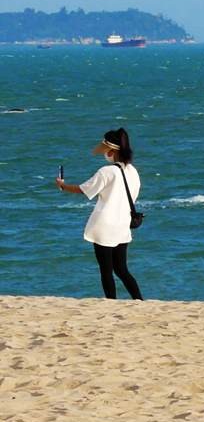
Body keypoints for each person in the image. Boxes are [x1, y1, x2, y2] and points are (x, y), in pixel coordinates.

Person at [53, 127, 144, 300]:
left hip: (105, 224)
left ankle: (111, 302)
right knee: (122, 269)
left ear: (111, 151)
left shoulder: (107, 172)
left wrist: (62, 185)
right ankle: (139, 300)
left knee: (106, 270)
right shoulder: (132, 171)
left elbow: (83, 190)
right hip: (123, 224)